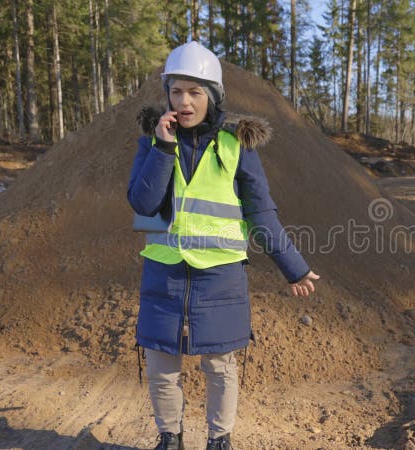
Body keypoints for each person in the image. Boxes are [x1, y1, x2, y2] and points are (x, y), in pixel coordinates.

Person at [127, 41, 320, 450]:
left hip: (220, 277)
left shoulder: (236, 145)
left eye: (194, 92)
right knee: (162, 363)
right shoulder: (153, 140)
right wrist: (162, 147)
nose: (184, 101)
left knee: (219, 365)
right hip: (165, 271)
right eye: (176, 91)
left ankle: (219, 440)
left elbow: (261, 214)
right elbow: (143, 202)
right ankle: (170, 438)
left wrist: (294, 267)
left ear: (212, 96)